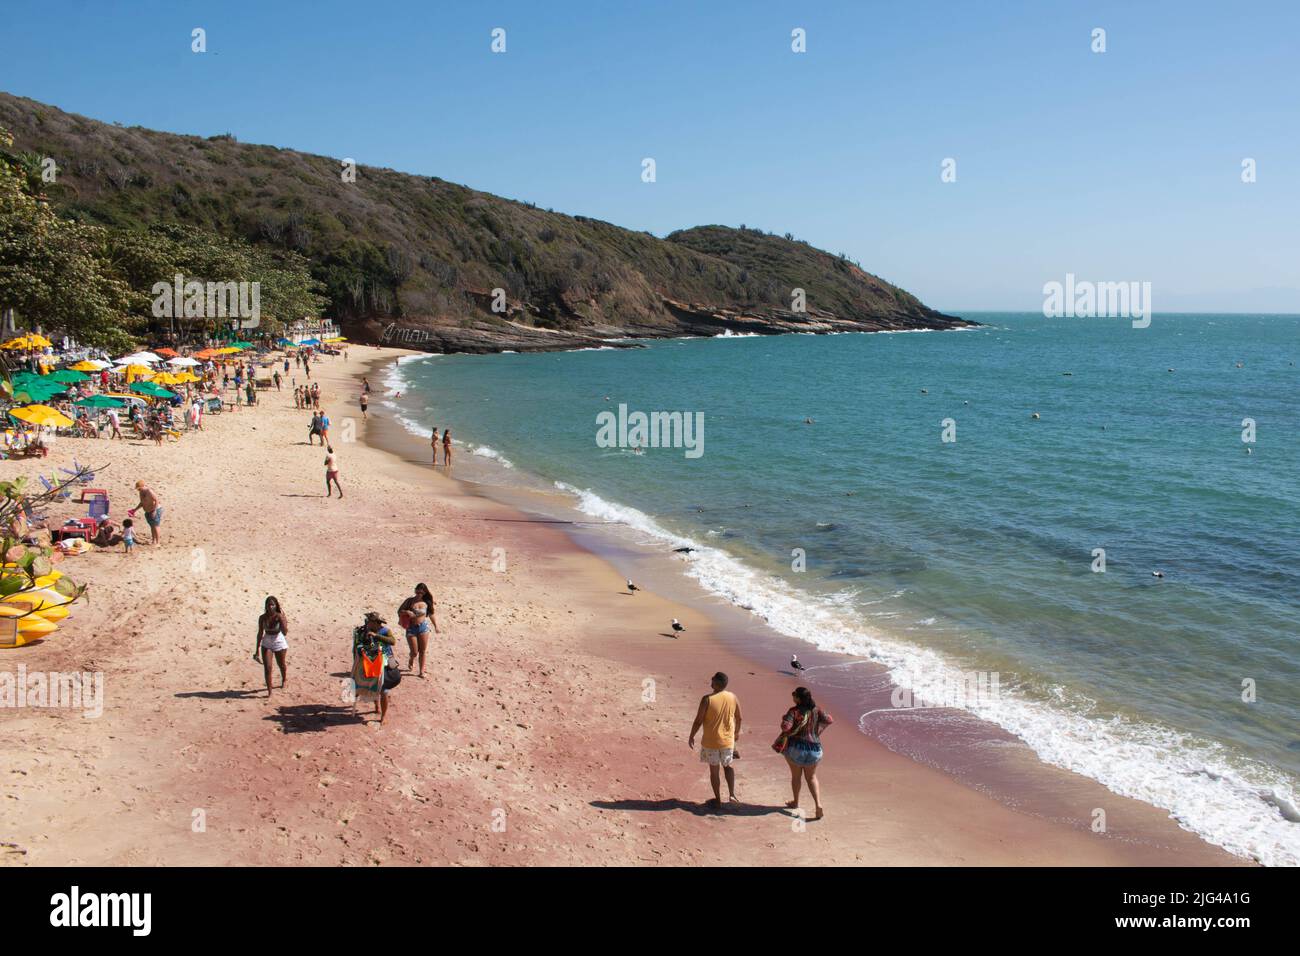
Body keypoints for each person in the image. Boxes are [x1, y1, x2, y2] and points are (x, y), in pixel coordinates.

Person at [688, 672, 742, 809]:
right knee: (728, 766)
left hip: (711, 741)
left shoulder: (707, 699)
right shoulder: (733, 697)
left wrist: (692, 735)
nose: (711, 680)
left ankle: (717, 800)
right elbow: (739, 717)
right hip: (728, 741)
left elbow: (698, 720)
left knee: (714, 772)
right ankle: (732, 794)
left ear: (716, 683)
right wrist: (736, 734)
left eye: (712, 679)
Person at [779, 686, 833, 820]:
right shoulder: (816, 710)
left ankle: (796, 802)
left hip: (796, 749)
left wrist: (785, 719)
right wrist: (816, 731)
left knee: (796, 777)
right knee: (812, 777)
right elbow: (829, 720)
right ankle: (818, 805)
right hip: (815, 749)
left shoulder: (794, 711)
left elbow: (786, 726)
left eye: (794, 695)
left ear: (798, 698)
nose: (792, 697)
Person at [353, 612, 397, 725]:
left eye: (370, 621)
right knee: (373, 686)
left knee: (384, 691)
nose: (367, 623)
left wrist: (376, 636)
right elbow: (357, 646)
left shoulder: (385, 631)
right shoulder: (363, 631)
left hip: (386, 662)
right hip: (370, 662)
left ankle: (384, 716)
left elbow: (392, 641)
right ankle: (377, 705)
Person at [398, 583, 438, 676]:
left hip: (423, 627)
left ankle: (421, 671)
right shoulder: (409, 601)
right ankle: (411, 658)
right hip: (411, 628)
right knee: (414, 652)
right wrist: (407, 611)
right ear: (415, 590)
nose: (419, 593)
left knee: (423, 651)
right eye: (418, 590)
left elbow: (431, 614)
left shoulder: (426, 602)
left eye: (422, 591)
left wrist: (436, 626)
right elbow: (399, 611)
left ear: (424, 592)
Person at [253, 596, 289, 697]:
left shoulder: (279, 616)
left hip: (278, 641)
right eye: (268, 605)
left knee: (281, 664)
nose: (270, 607)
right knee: (267, 667)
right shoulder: (262, 618)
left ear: (276, 605)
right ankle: (270, 691)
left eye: (272, 605)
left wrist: (282, 620)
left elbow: (285, 632)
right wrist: (257, 649)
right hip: (267, 642)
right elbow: (260, 633)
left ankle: (284, 679)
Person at [128, 481, 163, 545]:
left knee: (156, 526)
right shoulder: (141, 492)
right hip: (148, 511)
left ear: (143, 486)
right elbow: (142, 502)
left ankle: (158, 542)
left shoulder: (149, 491)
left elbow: (156, 500)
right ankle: (153, 541)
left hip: (156, 510)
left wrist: (154, 510)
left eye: (139, 488)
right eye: (138, 489)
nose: (138, 490)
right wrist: (135, 510)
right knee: (152, 526)